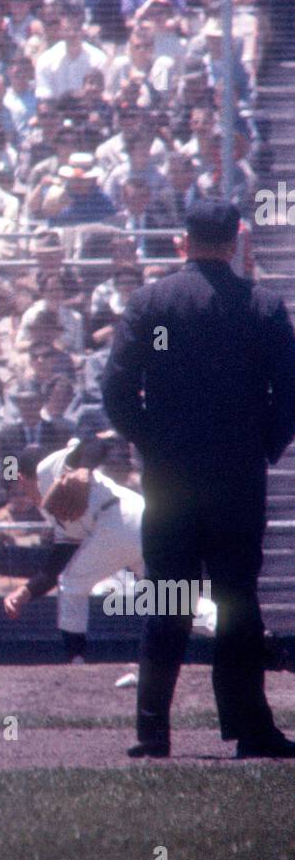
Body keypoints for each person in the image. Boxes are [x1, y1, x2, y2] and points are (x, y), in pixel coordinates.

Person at [102, 200, 295, 758]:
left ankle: (152, 731)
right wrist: (266, 446)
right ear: (236, 241)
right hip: (237, 478)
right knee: (237, 600)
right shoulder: (261, 308)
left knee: (168, 598)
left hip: (168, 479)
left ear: (183, 241)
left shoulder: (150, 303)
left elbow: (116, 392)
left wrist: (152, 442)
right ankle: (249, 730)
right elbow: (289, 396)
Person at [3, 434, 145, 662]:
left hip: (119, 517)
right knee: (170, 597)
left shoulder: (48, 467)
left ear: (21, 478)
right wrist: (27, 591)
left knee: (72, 584)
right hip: (139, 519)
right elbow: (58, 561)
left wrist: (82, 470)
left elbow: (96, 442)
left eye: (19, 483)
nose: (21, 491)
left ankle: (76, 664)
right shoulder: (51, 511)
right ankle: (222, 629)